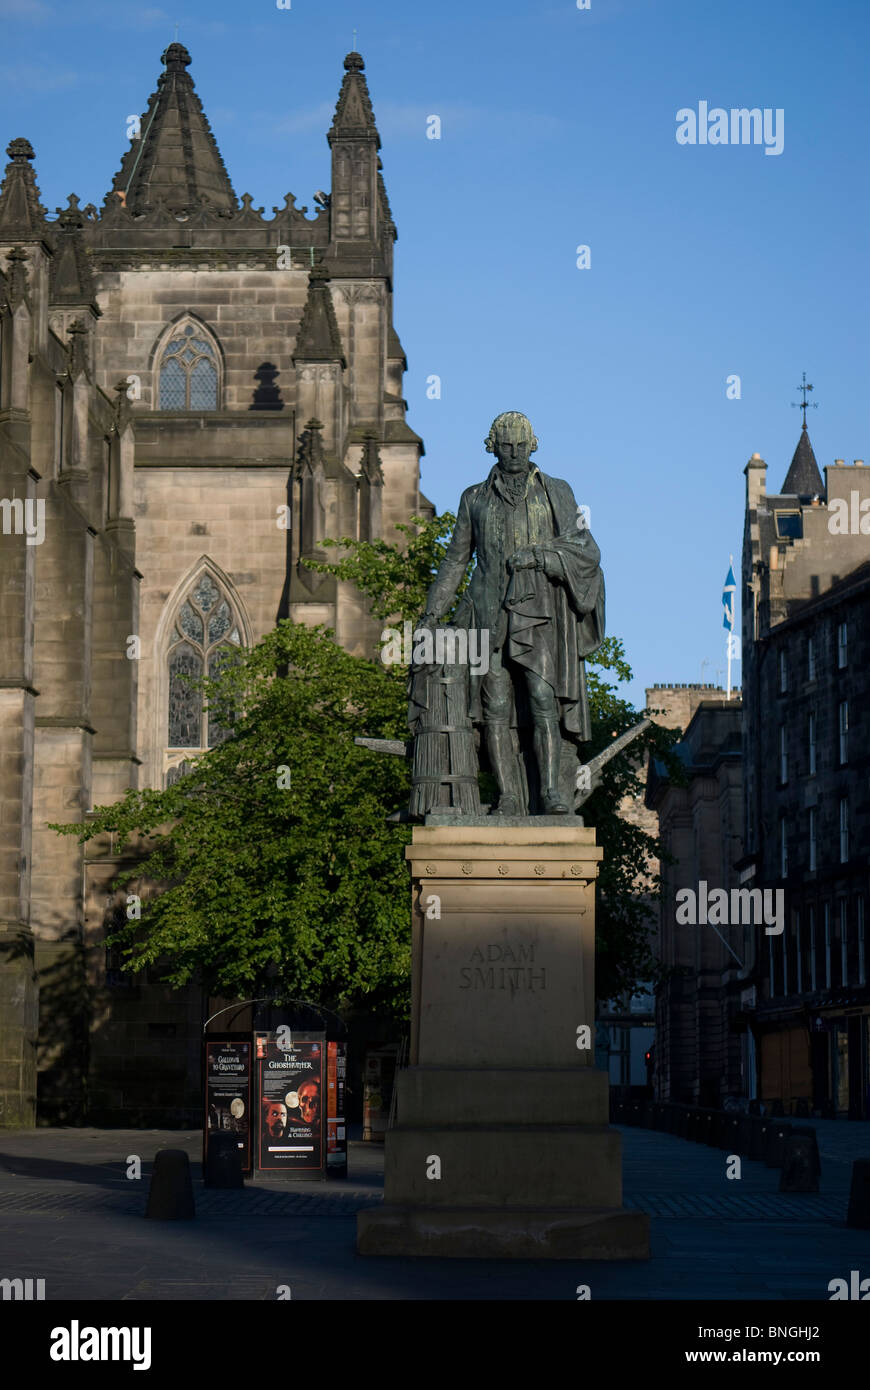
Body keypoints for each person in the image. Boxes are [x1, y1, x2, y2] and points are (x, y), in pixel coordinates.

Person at [417, 411, 604, 814]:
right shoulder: (474, 498)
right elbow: (455, 562)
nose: (515, 452)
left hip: (538, 613)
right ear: (493, 446)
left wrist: (541, 557)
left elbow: (585, 549)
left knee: (542, 700)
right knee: (494, 707)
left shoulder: (556, 492)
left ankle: (552, 793)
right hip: (486, 613)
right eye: (507, 445)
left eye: (522, 445)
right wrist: (431, 614)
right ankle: (508, 797)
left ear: (533, 444)